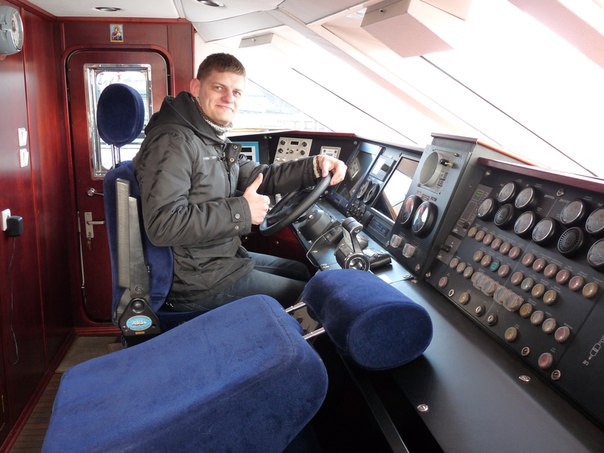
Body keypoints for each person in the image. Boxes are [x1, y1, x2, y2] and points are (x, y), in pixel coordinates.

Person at [133, 52, 347, 313]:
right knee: (315, 298)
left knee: (301, 272)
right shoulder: (174, 141)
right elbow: (163, 224)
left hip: (220, 260)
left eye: (236, 92)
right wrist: (243, 211)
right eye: (219, 88)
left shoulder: (209, 137)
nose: (229, 98)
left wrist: (314, 165)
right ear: (196, 88)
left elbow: (263, 176)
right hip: (196, 281)